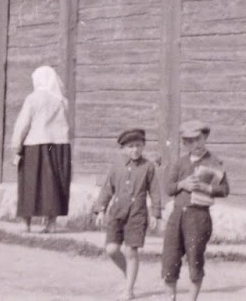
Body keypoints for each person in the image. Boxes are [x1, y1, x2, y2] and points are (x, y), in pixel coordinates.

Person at [159, 119, 231, 301]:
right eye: (189, 141)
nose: (195, 144)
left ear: (205, 137)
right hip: (177, 216)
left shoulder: (214, 162)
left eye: (198, 139)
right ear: (184, 143)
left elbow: (224, 190)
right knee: (170, 258)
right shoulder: (180, 163)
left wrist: (208, 189)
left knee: (195, 259)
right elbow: (168, 188)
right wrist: (182, 184)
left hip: (199, 217)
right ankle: (170, 297)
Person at [97, 128, 160, 301]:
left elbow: (154, 191)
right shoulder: (116, 166)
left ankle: (129, 289)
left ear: (144, 146)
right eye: (131, 146)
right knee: (111, 249)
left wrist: (155, 213)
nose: (135, 150)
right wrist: (101, 209)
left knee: (131, 251)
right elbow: (107, 189)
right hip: (116, 213)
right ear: (123, 148)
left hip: (137, 214)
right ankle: (128, 277)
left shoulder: (148, 167)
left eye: (139, 145)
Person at [10, 65, 72, 233]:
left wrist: (16, 145)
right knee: (54, 184)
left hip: (35, 146)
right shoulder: (62, 100)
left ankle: (26, 223)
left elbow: (23, 124)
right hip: (59, 146)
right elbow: (68, 124)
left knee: (30, 184)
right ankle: (51, 223)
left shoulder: (33, 98)